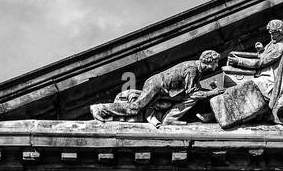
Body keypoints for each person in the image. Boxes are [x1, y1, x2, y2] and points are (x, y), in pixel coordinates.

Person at [89, 50, 222, 125]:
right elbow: (192, 92)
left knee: (193, 97)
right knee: (135, 107)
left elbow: (193, 91)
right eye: (215, 63)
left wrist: (210, 92)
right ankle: (101, 108)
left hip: (167, 91)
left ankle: (169, 119)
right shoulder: (192, 69)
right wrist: (213, 92)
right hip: (157, 85)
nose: (216, 67)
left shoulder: (197, 70)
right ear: (209, 62)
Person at [224, 20, 283, 122]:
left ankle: (232, 113)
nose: (272, 36)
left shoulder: (282, 46)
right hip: (262, 75)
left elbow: (261, 62)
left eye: (274, 33)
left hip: (271, 79)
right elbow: (263, 56)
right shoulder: (274, 42)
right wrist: (261, 50)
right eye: (270, 33)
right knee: (242, 86)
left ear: (281, 32)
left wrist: (239, 61)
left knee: (248, 86)